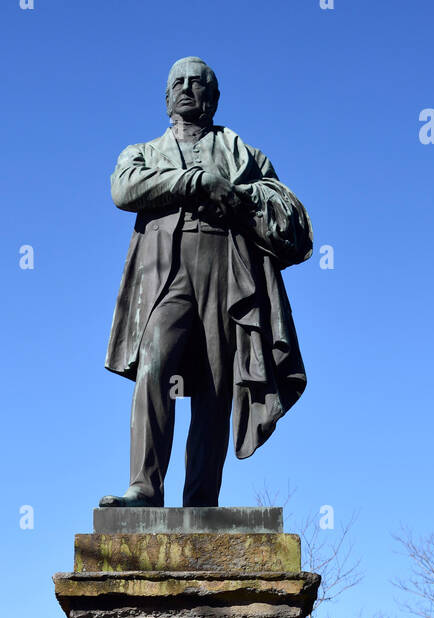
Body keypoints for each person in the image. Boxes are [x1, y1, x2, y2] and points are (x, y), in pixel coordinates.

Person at [102, 57, 313, 508]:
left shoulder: (244, 154)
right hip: (167, 270)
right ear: (166, 100)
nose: (186, 88)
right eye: (177, 82)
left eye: (197, 83)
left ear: (212, 98)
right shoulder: (141, 153)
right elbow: (124, 189)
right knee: (155, 364)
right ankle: (144, 487)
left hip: (226, 264)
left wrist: (238, 195)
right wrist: (195, 182)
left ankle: (202, 498)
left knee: (217, 382)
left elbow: (288, 211)